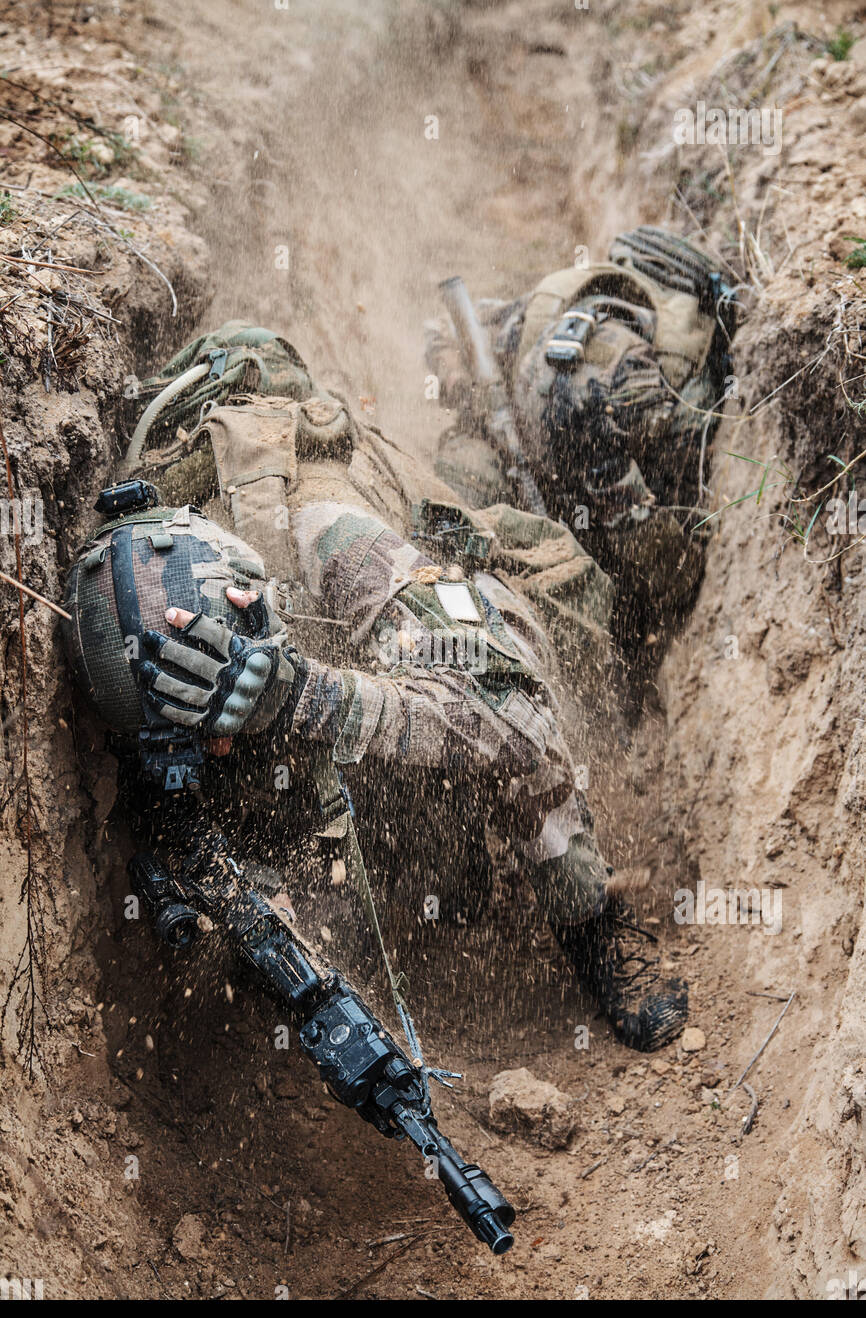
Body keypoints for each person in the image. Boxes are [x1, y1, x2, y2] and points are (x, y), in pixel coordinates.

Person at [62, 320, 687, 1050]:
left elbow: (512, 713)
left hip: (426, 614)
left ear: (251, 606)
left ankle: (593, 930)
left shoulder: (333, 537)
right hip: (302, 659)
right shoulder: (114, 600)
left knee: (505, 713)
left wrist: (302, 695)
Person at [425, 225, 737, 652]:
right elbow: (442, 329)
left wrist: (613, 507)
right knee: (463, 466)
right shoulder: (536, 317)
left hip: (611, 485)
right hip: (527, 449)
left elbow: (675, 580)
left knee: (615, 589)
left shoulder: (671, 407)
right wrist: (471, 392)